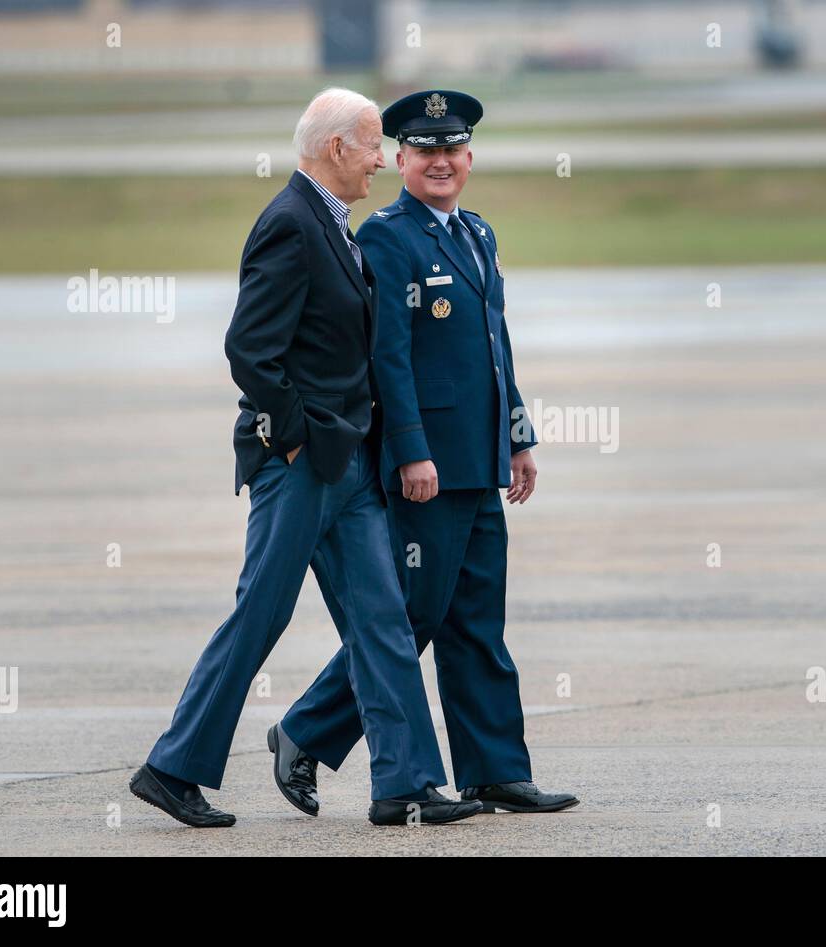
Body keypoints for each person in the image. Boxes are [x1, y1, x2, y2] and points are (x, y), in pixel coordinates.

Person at [130, 88, 482, 828]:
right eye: (372, 145)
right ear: (336, 150)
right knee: (261, 612)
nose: (383, 159)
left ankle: (406, 782)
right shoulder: (290, 223)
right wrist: (295, 434)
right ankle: (173, 766)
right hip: (300, 463)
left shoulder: (335, 224)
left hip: (347, 464)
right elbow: (248, 350)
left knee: (383, 619)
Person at [273, 90, 579, 815]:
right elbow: (391, 356)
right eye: (423, 151)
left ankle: (496, 769)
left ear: (469, 157)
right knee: (412, 615)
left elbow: (495, 349)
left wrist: (517, 435)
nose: (440, 162)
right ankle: (303, 732)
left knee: (477, 620)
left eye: (453, 150)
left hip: (478, 458)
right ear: (401, 159)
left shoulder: (477, 233)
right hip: (426, 467)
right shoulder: (387, 237)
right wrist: (410, 451)